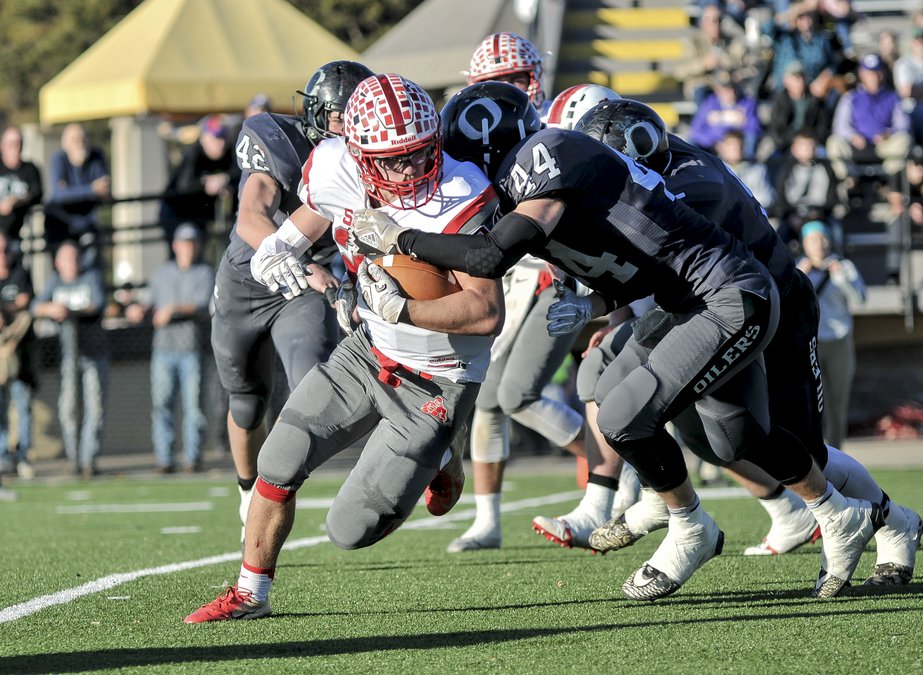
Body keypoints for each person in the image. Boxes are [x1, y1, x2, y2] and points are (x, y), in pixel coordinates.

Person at [349, 83, 901, 599]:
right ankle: (815, 515)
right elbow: (641, 265)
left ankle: (698, 522)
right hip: (695, 301)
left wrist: (402, 239)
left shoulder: (549, 156)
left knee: (626, 415)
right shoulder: (555, 176)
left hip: (730, 298)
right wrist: (594, 304)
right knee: (733, 440)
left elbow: (491, 256)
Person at [185, 73, 502, 623]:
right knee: (278, 458)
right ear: (359, 155)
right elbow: (319, 209)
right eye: (393, 160)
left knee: (348, 530)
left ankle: (439, 458)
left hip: (439, 375)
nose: (410, 169)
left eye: (418, 153)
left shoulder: (461, 194)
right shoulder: (337, 165)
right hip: (368, 349)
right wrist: (284, 244)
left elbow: (485, 311)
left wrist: (406, 309)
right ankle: (250, 591)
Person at [579, 100, 918, 584]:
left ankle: (895, 524)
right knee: (695, 426)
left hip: (768, 309)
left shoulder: (690, 185)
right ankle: (663, 496)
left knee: (801, 451)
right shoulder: (666, 159)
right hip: (701, 308)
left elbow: (651, 258)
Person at [446, 79, 622, 554]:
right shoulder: (502, 132)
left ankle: (617, 476)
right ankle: (488, 520)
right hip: (515, 273)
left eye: (511, 72)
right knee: (488, 398)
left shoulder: (550, 135)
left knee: (517, 393)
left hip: (555, 279)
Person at [211, 60, 371, 543]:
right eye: (343, 115)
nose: (351, 126)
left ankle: (272, 484)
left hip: (304, 290)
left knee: (308, 383)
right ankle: (246, 491)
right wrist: (300, 264)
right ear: (319, 114)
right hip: (250, 280)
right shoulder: (277, 141)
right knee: (246, 403)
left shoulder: (373, 158)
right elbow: (250, 215)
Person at [125, 224, 215, 473]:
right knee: (162, 405)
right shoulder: (161, 274)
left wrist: (173, 309)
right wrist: (137, 309)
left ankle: (192, 459)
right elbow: (148, 303)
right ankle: (164, 459)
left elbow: (202, 305)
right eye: (184, 243)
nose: (188, 247)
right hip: (163, 349)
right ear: (175, 246)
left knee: (193, 407)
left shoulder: (205, 273)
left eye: (192, 242)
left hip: (191, 349)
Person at [32, 241, 108, 478]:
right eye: (66, 259)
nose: (72, 263)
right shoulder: (55, 281)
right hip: (68, 355)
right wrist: (50, 309)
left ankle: (89, 460)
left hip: (94, 353)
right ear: (57, 263)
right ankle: (74, 459)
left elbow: (97, 304)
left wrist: (71, 311)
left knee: (94, 408)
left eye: (75, 258)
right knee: (68, 408)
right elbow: (36, 306)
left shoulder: (91, 276)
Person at [797, 221, 866, 449]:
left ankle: (837, 451)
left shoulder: (844, 266)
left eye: (822, 238)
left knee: (838, 401)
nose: (818, 244)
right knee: (811, 403)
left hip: (840, 341)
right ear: (804, 244)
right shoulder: (799, 268)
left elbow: (860, 299)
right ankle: (814, 454)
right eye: (812, 240)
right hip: (812, 343)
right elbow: (789, 306)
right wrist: (800, 278)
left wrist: (840, 279)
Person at [826, 53, 911, 180]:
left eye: (877, 73)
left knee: (905, 140)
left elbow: (903, 125)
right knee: (834, 143)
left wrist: (888, 133)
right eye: (869, 73)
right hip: (857, 146)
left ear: (882, 73)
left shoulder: (893, 97)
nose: (874, 77)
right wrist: (853, 136)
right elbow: (840, 126)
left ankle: (889, 179)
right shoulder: (851, 97)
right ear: (862, 74)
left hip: (883, 146)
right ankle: (849, 180)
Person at [159, 114, 241, 242]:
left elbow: (239, 174)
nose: (221, 143)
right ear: (204, 138)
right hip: (176, 213)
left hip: (201, 215)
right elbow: (184, 186)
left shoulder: (229, 153)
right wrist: (207, 184)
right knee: (182, 255)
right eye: (216, 138)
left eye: (223, 137)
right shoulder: (194, 153)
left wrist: (225, 179)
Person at [44, 124, 110, 266]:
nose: (80, 143)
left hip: (86, 224)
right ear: (65, 144)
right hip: (60, 224)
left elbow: (104, 189)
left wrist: (72, 190)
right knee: (64, 267)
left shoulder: (96, 157)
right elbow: (59, 194)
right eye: (75, 140)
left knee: (91, 264)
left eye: (83, 139)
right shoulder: (59, 159)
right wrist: (91, 189)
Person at [0, 234, 36, 480]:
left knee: (22, 405)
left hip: (21, 353)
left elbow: (25, 302)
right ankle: (2, 456)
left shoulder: (20, 273)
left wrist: (4, 309)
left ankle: (22, 456)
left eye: (5, 249)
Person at [772, 131, 839, 249]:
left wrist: (819, 214)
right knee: (778, 239)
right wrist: (790, 216)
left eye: (811, 145)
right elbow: (781, 198)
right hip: (792, 217)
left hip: (819, 216)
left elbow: (832, 198)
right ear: (794, 149)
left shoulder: (826, 168)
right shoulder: (786, 170)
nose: (808, 149)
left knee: (820, 239)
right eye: (804, 146)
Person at [467, 31, 549, 114]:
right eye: (494, 83)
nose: (506, 89)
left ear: (536, 77)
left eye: (516, 80)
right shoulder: (466, 124)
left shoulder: (556, 118)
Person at [688, 70, 762, 158]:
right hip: (713, 146)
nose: (731, 93)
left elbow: (754, 129)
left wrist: (741, 123)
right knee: (690, 143)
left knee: (748, 140)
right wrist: (718, 137)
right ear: (718, 90)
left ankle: (745, 166)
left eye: (732, 89)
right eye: (725, 90)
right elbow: (695, 131)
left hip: (738, 149)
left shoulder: (747, 102)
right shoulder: (711, 103)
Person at [766, 60, 831, 156]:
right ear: (786, 80)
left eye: (802, 77)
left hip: (811, 145)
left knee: (825, 155)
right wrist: (795, 143)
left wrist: (808, 142)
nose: (799, 81)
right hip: (786, 145)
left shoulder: (815, 99)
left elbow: (822, 127)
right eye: (795, 78)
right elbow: (776, 130)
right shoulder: (779, 100)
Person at [0, 126, 43, 245]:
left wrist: (17, 200)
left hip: (18, 232)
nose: (16, 147)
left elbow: (37, 195)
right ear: (2, 146)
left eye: (19, 143)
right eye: (11, 144)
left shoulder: (30, 169)